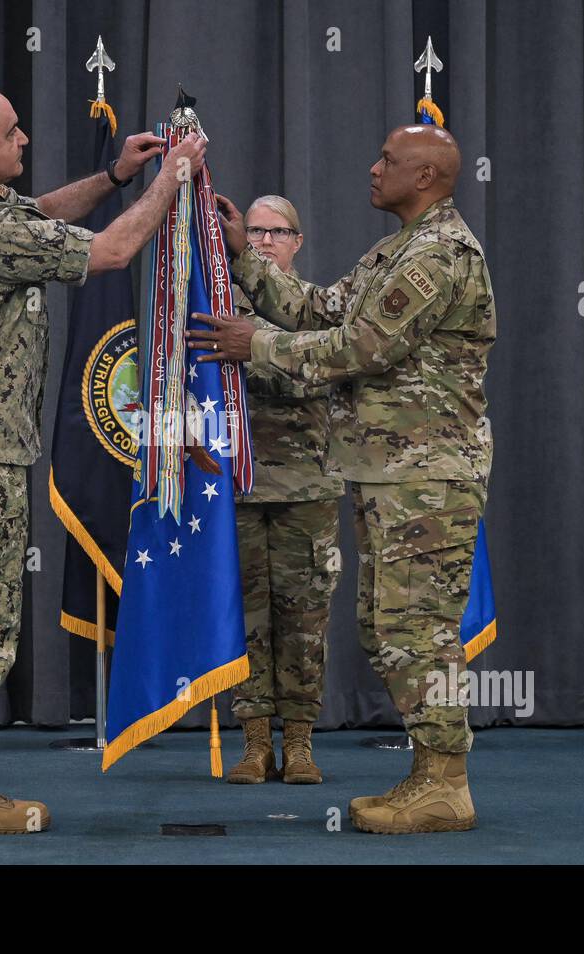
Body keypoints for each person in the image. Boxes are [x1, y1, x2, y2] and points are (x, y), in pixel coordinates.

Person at [0, 80, 205, 834]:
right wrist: (172, 177)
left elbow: (42, 216)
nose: (27, 139)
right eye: (14, 131)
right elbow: (116, 250)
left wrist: (118, 176)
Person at [187, 124, 495, 834]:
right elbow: (319, 309)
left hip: (427, 475)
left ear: (424, 177)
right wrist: (247, 261)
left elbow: (357, 347)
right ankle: (428, 774)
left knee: (419, 629)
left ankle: (446, 781)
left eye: (388, 160)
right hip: (390, 473)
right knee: (390, 625)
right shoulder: (396, 251)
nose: (372, 167)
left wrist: (253, 343)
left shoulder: (439, 255)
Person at [225, 196, 343, 785]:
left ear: (298, 241)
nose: (265, 240)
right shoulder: (221, 312)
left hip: (306, 489)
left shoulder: (317, 312)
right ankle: (253, 743)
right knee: (247, 620)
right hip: (237, 490)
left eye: (277, 231)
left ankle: (298, 742)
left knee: (303, 621)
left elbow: (319, 370)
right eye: (254, 230)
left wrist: (258, 354)